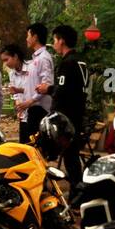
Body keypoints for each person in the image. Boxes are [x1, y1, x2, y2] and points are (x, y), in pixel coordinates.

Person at [38, 24, 89, 187]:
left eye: (55, 40)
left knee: (69, 156)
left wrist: (48, 89)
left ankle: (76, 190)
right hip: (79, 112)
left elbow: (63, 90)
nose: (54, 44)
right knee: (71, 154)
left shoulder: (68, 63)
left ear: (62, 40)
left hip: (67, 116)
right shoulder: (82, 61)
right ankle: (77, 189)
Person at [21, 22, 54, 137]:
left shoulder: (44, 58)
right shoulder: (35, 59)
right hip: (33, 109)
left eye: (28, 36)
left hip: (40, 109)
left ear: (35, 37)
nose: (27, 39)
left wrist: (30, 101)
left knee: (36, 148)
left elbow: (46, 85)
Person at [1, 43, 34, 143]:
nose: (6, 64)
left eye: (7, 60)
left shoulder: (31, 68)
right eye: (3, 61)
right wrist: (17, 102)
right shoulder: (12, 74)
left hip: (35, 112)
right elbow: (15, 94)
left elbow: (34, 90)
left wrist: (19, 91)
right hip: (23, 116)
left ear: (15, 56)